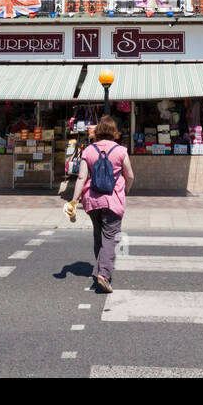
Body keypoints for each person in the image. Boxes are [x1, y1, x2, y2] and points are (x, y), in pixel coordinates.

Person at [67, 115, 135, 293]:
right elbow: (131, 176)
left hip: (92, 200)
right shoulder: (121, 151)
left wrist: (74, 200)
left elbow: (81, 177)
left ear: (97, 132)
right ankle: (103, 275)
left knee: (99, 236)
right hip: (113, 200)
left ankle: (99, 270)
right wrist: (125, 190)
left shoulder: (88, 150)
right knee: (110, 238)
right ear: (114, 132)